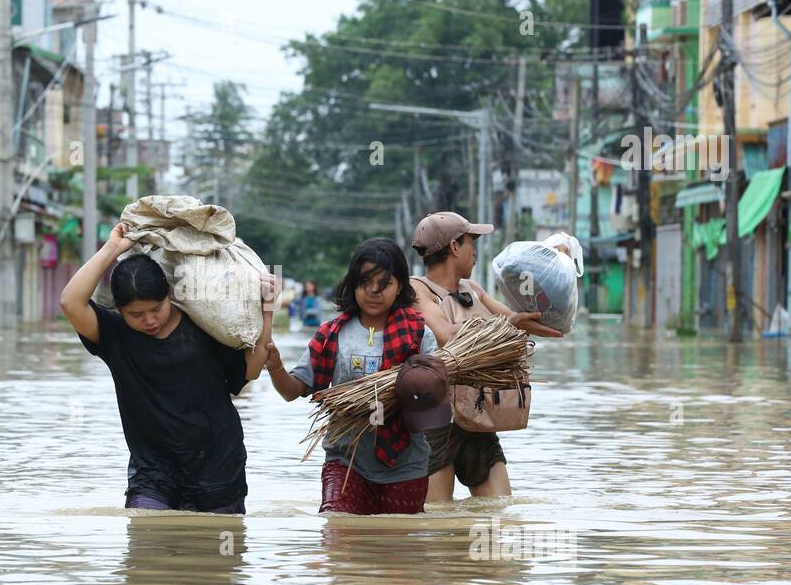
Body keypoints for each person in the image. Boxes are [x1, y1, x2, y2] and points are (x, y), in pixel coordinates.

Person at [60, 222, 275, 514]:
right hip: (152, 470)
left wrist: (267, 311)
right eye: (136, 314)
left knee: (218, 556)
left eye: (156, 308)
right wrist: (113, 248)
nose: (149, 320)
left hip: (218, 465)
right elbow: (71, 301)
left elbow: (251, 370)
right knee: (146, 550)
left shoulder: (205, 326)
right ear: (119, 311)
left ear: (169, 295)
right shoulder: (115, 334)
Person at [264, 238, 438, 515]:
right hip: (345, 460)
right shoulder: (331, 334)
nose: (373, 291)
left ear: (401, 286)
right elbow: (291, 391)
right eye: (365, 281)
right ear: (352, 283)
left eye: (384, 283)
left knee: (401, 552)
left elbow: (433, 402)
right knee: (338, 532)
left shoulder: (418, 335)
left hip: (405, 463)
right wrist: (274, 366)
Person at [407, 212, 562, 503]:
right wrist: (507, 324)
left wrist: (553, 290)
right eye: (471, 242)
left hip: (476, 415)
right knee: (437, 523)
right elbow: (446, 336)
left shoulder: (473, 291)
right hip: (434, 422)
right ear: (454, 247)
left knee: (499, 509)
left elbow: (517, 321)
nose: (475, 251)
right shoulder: (417, 290)